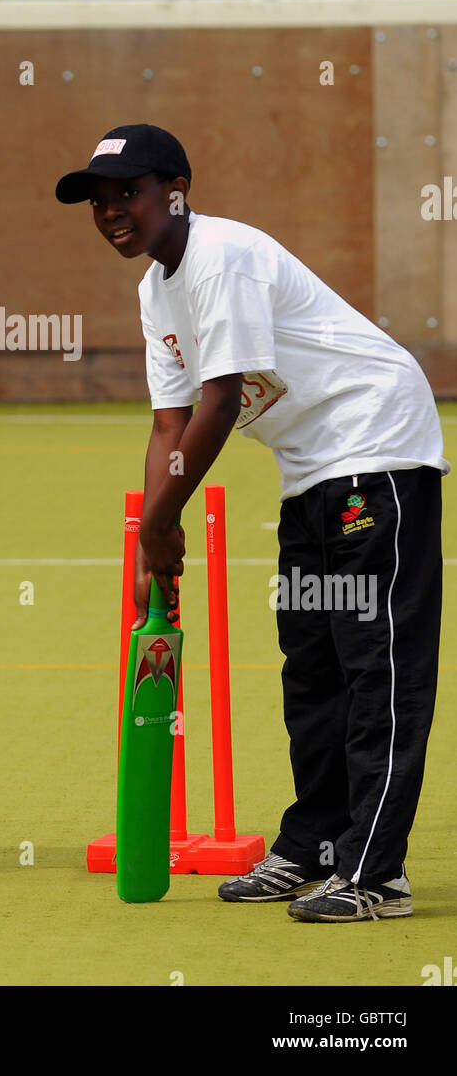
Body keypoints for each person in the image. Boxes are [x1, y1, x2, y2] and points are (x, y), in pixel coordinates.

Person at [56, 123, 448, 923]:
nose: (111, 212)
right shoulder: (155, 290)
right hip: (309, 470)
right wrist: (154, 540)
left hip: (378, 446)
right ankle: (315, 846)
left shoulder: (223, 255)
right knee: (310, 664)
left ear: (177, 193)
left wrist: (162, 523)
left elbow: (221, 399)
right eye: (98, 202)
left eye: (128, 194)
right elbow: (169, 425)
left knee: (375, 664)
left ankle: (375, 873)